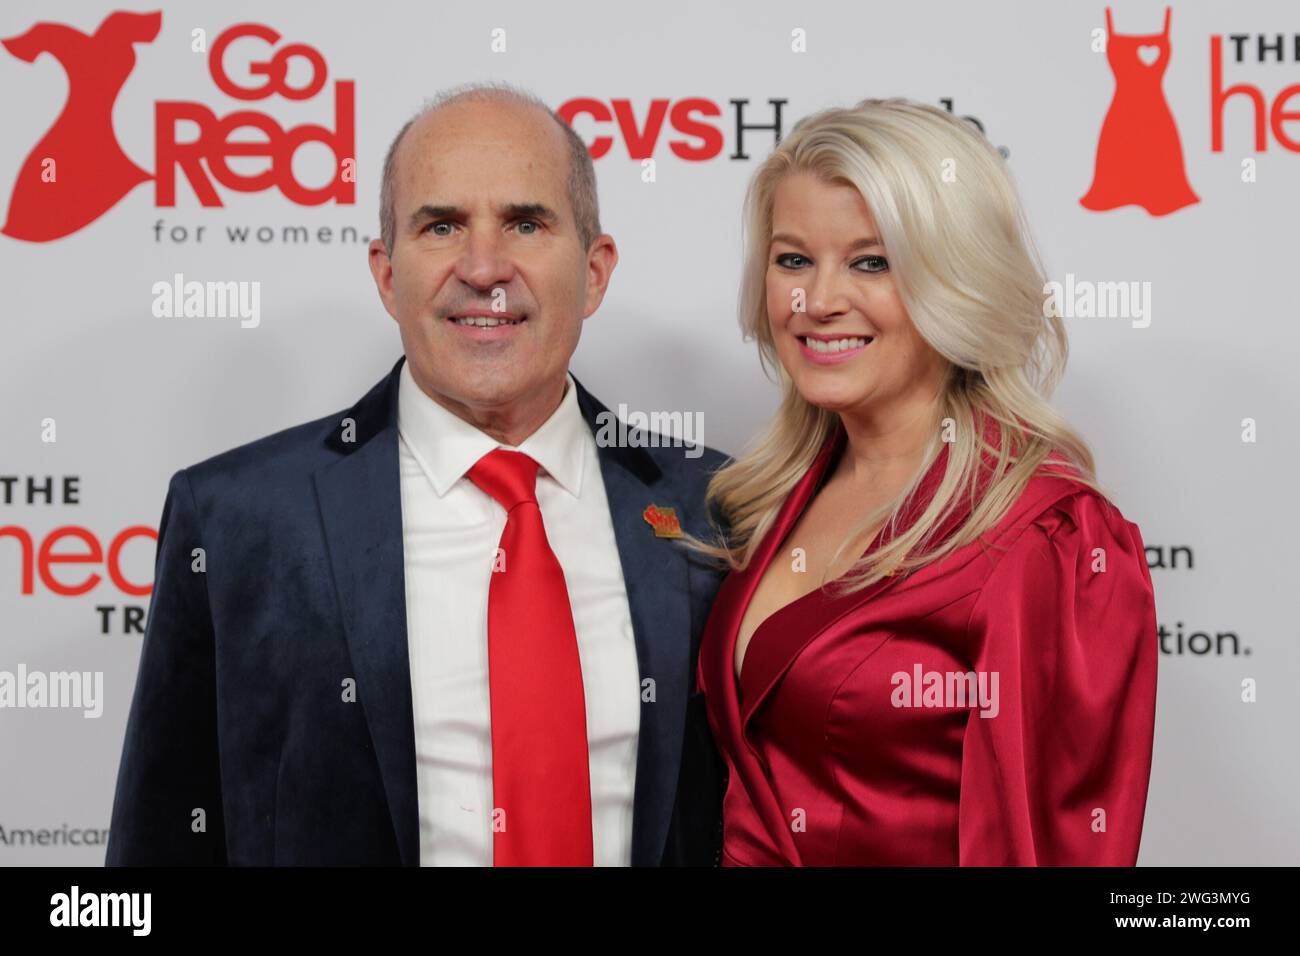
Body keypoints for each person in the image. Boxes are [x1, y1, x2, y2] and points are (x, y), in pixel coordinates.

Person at [105, 82, 729, 867]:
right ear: (386, 273)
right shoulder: (238, 518)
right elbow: (157, 849)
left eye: (526, 223)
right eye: (441, 226)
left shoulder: (712, 510)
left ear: (596, 270)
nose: (484, 268)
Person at [687, 98, 1158, 866]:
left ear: (955, 279)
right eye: (793, 259)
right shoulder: (768, 496)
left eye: (872, 262)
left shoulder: (1047, 539)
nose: (817, 300)